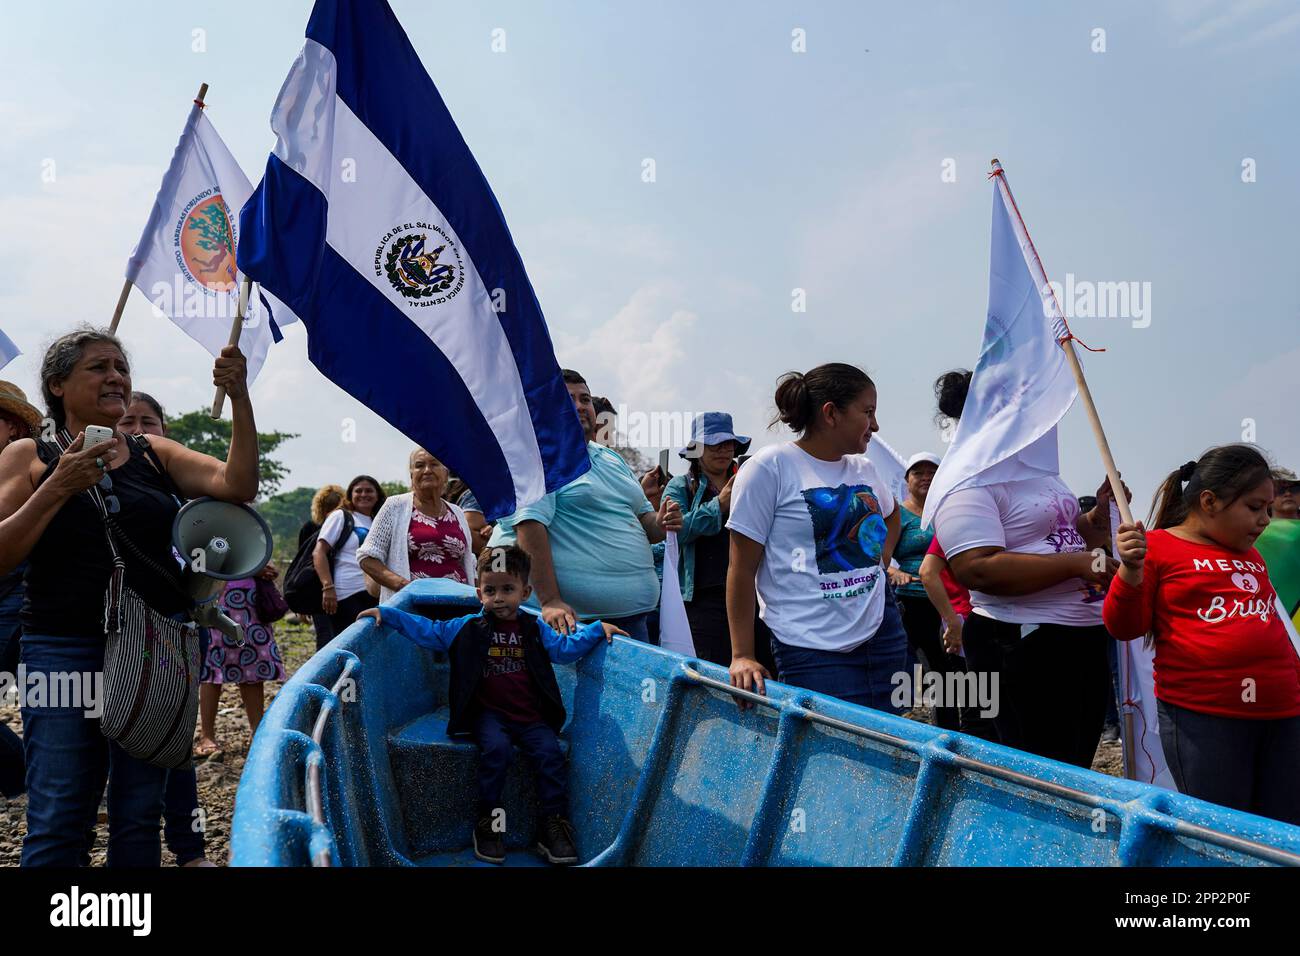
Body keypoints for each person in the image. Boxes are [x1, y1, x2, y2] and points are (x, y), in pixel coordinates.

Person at [0, 327, 258, 867]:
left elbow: (236, 486)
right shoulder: (29, 455)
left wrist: (239, 397)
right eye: (98, 367)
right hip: (63, 650)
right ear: (58, 385)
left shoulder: (152, 451)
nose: (116, 376)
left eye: (121, 367)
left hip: (152, 646)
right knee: (60, 813)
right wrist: (58, 484)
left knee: (140, 811)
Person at [358, 544, 625, 864]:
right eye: (490, 590)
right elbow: (428, 630)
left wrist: (596, 630)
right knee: (496, 752)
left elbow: (564, 650)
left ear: (525, 592)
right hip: (489, 717)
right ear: (478, 593)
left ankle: (552, 824)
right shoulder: (466, 627)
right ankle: (489, 822)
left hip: (530, 716)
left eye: (508, 589)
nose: (498, 597)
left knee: (550, 754)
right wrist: (387, 614)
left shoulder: (535, 627)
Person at [930, 369, 1122, 768]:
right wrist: (1077, 565)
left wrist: (1098, 517)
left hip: (1080, 636)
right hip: (1021, 641)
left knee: (1075, 765)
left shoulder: (1036, 471)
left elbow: (1064, 537)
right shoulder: (967, 482)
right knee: (1039, 768)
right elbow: (977, 569)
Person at [1105, 446, 1300, 824]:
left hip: (1285, 713)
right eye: (1255, 508)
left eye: (1268, 509)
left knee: (1284, 828)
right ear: (1210, 501)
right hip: (1206, 720)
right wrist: (1129, 572)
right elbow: (1124, 626)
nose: (1264, 520)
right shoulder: (1157, 548)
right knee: (1225, 830)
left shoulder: (1251, 555)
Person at [727, 364, 907, 712]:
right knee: (835, 753)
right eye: (868, 412)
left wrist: (877, 567)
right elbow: (740, 567)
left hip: (883, 636)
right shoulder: (770, 467)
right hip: (810, 648)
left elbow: (892, 514)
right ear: (830, 413)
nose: (876, 425)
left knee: (894, 743)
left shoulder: (864, 469)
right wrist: (742, 655)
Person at [489, 369, 682, 644]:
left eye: (586, 399)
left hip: (636, 619)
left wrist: (661, 521)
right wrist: (551, 601)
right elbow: (530, 526)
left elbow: (646, 523)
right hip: (576, 626)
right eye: (569, 399)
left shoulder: (612, 459)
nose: (580, 406)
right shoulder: (540, 458)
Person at [116, 390, 214, 866]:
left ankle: (189, 847)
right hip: (114, 627)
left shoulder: (179, 491)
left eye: (147, 421)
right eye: (128, 419)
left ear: (164, 433)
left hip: (173, 626)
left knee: (174, 741)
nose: (137, 428)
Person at [664, 412, 777, 673]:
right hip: (703, 600)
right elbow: (677, 531)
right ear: (696, 450)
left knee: (764, 671)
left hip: (752, 595)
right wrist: (719, 505)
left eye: (729, 444)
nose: (724, 450)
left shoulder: (750, 482)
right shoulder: (679, 487)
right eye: (714, 444)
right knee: (713, 674)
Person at [889, 451, 968, 731]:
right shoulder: (898, 514)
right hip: (913, 603)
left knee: (951, 671)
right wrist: (895, 572)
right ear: (906, 480)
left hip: (952, 601)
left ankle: (955, 733)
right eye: (918, 473)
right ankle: (916, 731)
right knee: (926, 669)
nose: (925, 478)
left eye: (931, 472)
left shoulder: (948, 509)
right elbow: (879, 558)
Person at [358, 449, 477, 602]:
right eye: (420, 465)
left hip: (457, 606)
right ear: (412, 475)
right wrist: (404, 587)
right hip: (413, 608)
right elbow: (367, 557)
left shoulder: (457, 512)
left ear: (446, 474)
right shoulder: (395, 506)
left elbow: (467, 561)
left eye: (434, 464)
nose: (427, 470)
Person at [195, 562, 288, 757]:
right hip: (218, 598)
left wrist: (264, 567)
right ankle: (207, 735)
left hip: (249, 601)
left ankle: (257, 731)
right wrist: (253, 568)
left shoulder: (253, 530)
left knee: (251, 667)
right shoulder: (210, 532)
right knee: (213, 665)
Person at [0, 382, 42, 800]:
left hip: (19, 595)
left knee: (44, 696)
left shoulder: (28, 464)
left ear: (12, 427)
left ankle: (30, 780)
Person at [313, 475, 383, 646]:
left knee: (369, 646)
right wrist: (328, 587)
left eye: (369, 491)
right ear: (350, 495)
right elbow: (319, 552)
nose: (363, 494)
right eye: (358, 491)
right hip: (346, 593)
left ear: (378, 495)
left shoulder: (379, 520)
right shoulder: (342, 517)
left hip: (374, 594)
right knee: (346, 645)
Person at [299, 484, 345, 647]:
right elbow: (303, 566)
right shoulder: (311, 528)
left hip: (338, 591)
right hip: (321, 592)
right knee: (327, 637)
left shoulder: (348, 528)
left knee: (333, 637)